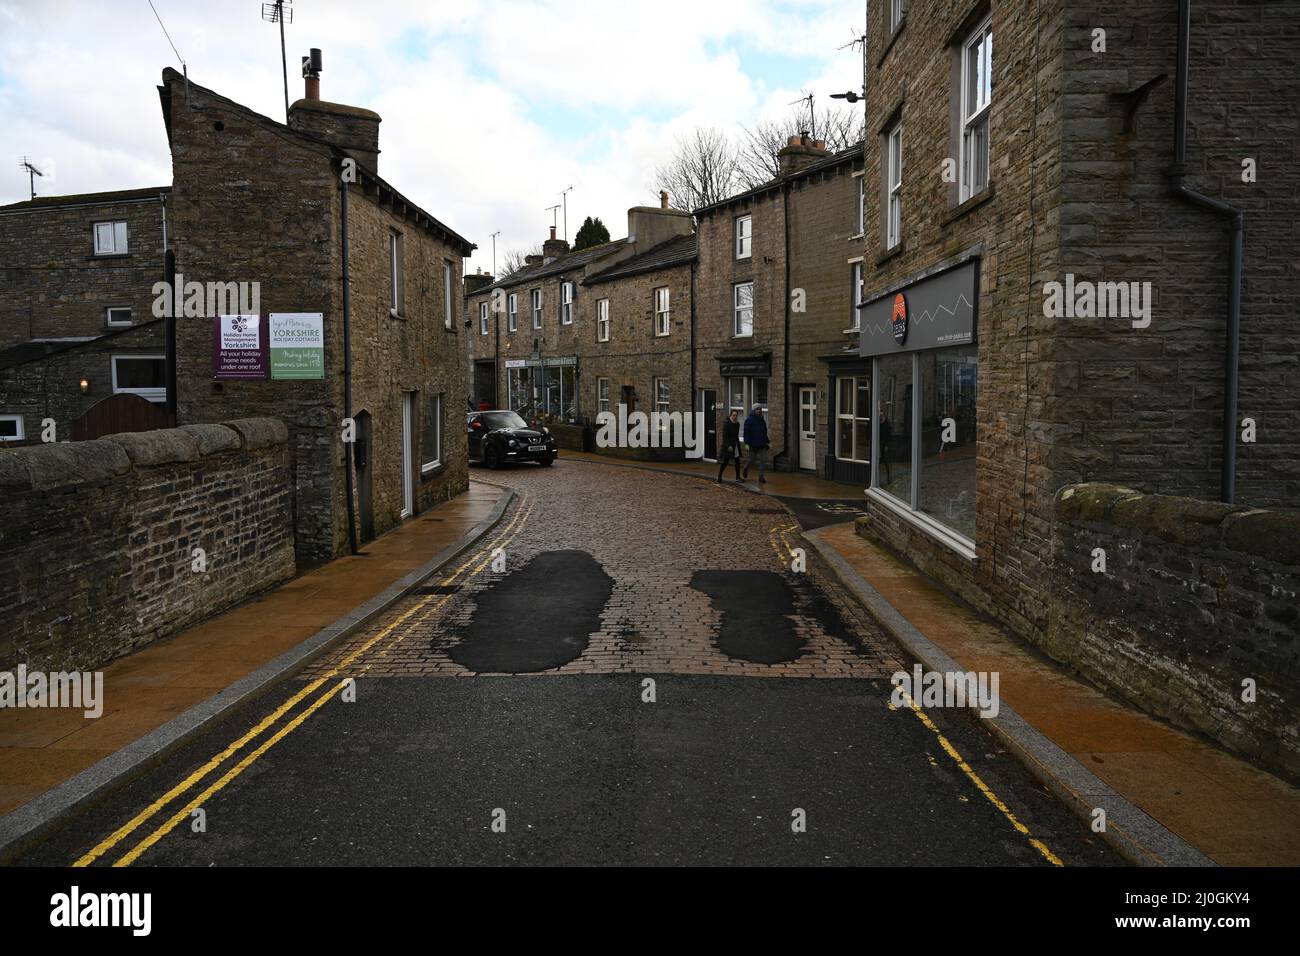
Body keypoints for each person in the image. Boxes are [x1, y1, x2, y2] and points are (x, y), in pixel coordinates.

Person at [741, 402, 770, 484]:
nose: (759, 411)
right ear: (753, 410)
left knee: (764, 460)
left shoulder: (762, 421)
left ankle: (761, 476)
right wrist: (746, 443)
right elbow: (746, 433)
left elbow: (764, 432)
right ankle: (746, 468)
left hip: (762, 444)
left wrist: (767, 441)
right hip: (752, 444)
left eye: (760, 409)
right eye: (757, 409)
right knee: (751, 460)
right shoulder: (749, 420)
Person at [717, 410, 743, 482]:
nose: (735, 417)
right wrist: (728, 446)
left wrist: (738, 444)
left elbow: (736, 435)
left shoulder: (737, 424)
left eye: (736, 415)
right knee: (725, 462)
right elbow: (725, 436)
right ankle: (719, 476)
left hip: (735, 445)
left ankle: (737, 477)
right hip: (728, 446)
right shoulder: (727, 424)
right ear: (731, 415)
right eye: (734, 415)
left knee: (737, 461)